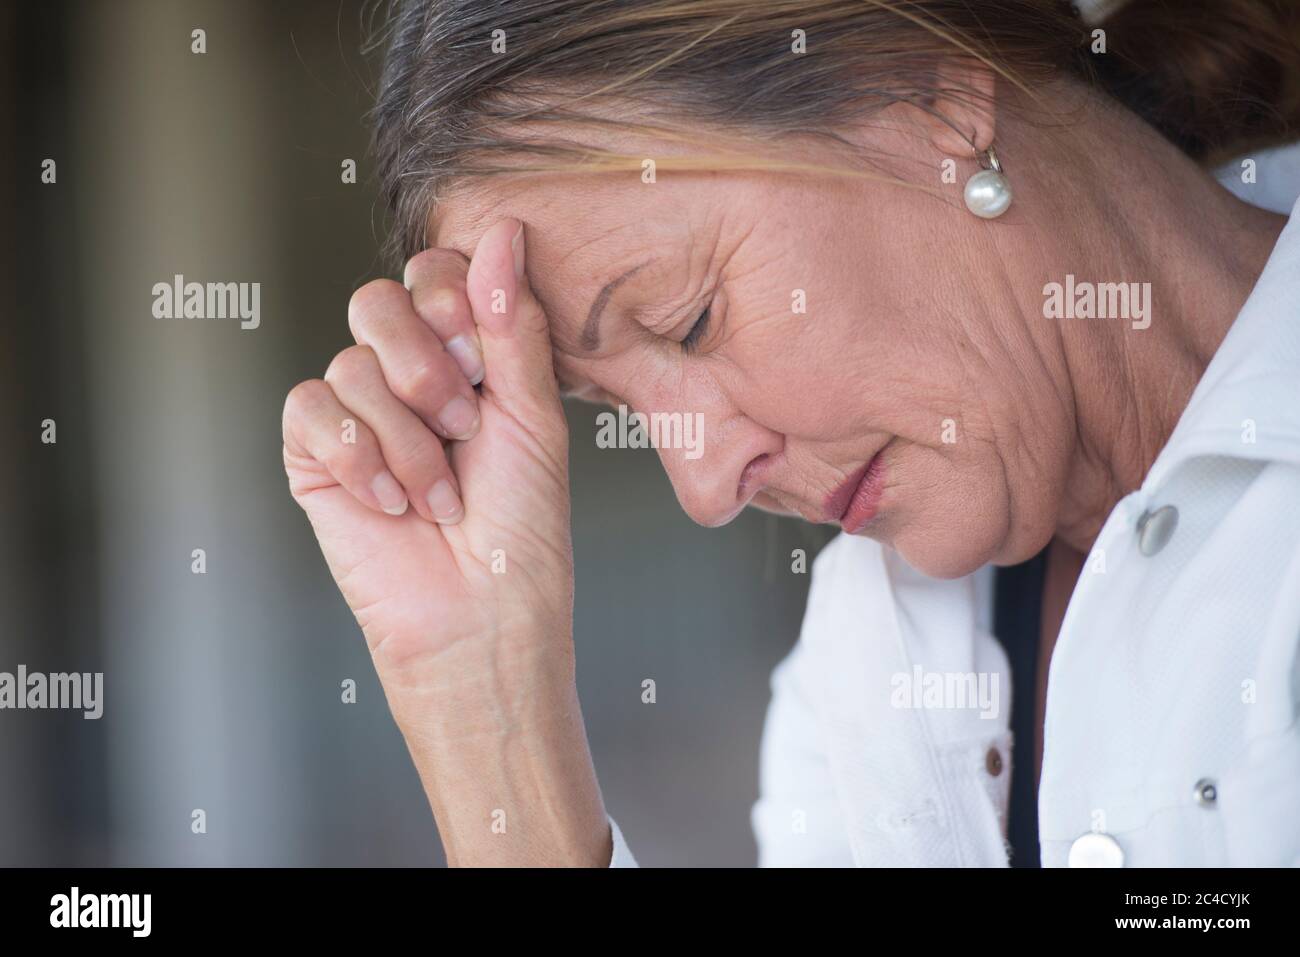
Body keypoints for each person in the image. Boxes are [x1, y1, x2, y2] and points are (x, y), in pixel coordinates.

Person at [281, 0, 1300, 866]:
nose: (705, 487)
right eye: (621, 413)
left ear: (928, 97)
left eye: (689, 320)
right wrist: (483, 697)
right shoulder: (865, 665)